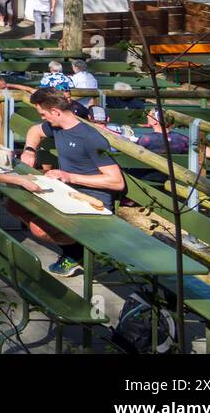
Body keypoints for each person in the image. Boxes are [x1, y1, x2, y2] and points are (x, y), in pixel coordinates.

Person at [15, 89, 127, 276]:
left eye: (43, 114)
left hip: (91, 200)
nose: (43, 118)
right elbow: (35, 130)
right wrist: (29, 149)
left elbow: (117, 182)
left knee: (38, 227)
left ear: (55, 112)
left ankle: (83, 252)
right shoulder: (57, 126)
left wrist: (69, 177)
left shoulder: (90, 138)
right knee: (14, 204)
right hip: (65, 191)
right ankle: (76, 251)